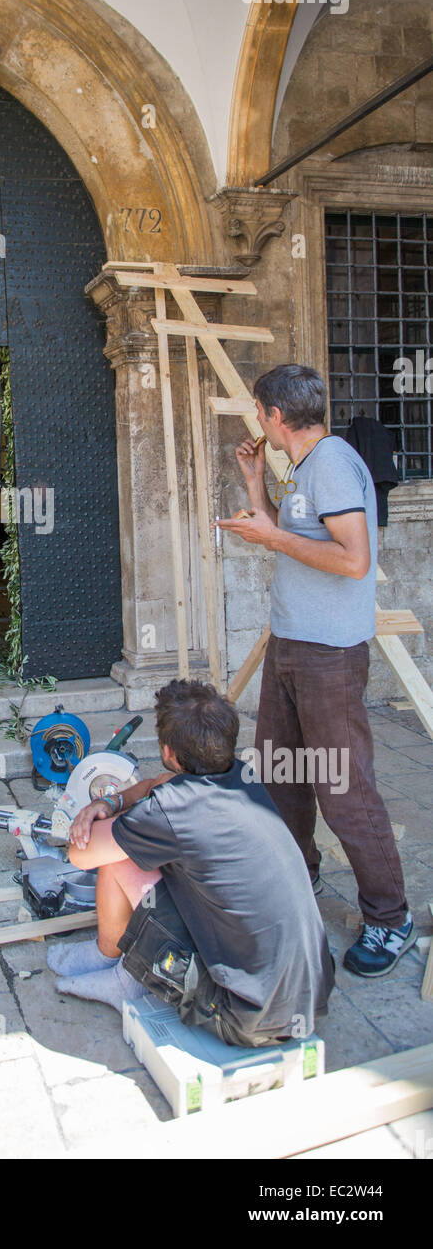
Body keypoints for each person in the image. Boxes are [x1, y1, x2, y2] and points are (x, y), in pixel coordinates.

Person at [217, 363, 414, 978]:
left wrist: (270, 538)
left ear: (276, 416)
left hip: (329, 653)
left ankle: (391, 918)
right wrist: (255, 486)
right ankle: (298, 880)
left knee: (343, 789)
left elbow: (353, 560)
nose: (259, 424)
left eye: (259, 412)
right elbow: (292, 530)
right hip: (292, 646)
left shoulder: (329, 463)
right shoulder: (305, 467)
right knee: (283, 775)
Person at [48, 679, 335, 1047]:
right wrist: (116, 802)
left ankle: (122, 978)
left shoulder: (171, 811)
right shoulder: (243, 777)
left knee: (120, 857)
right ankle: (107, 957)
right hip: (309, 996)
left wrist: (96, 811)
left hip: (244, 1015)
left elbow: (81, 854)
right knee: (147, 851)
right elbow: (158, 783)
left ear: (168, 751)